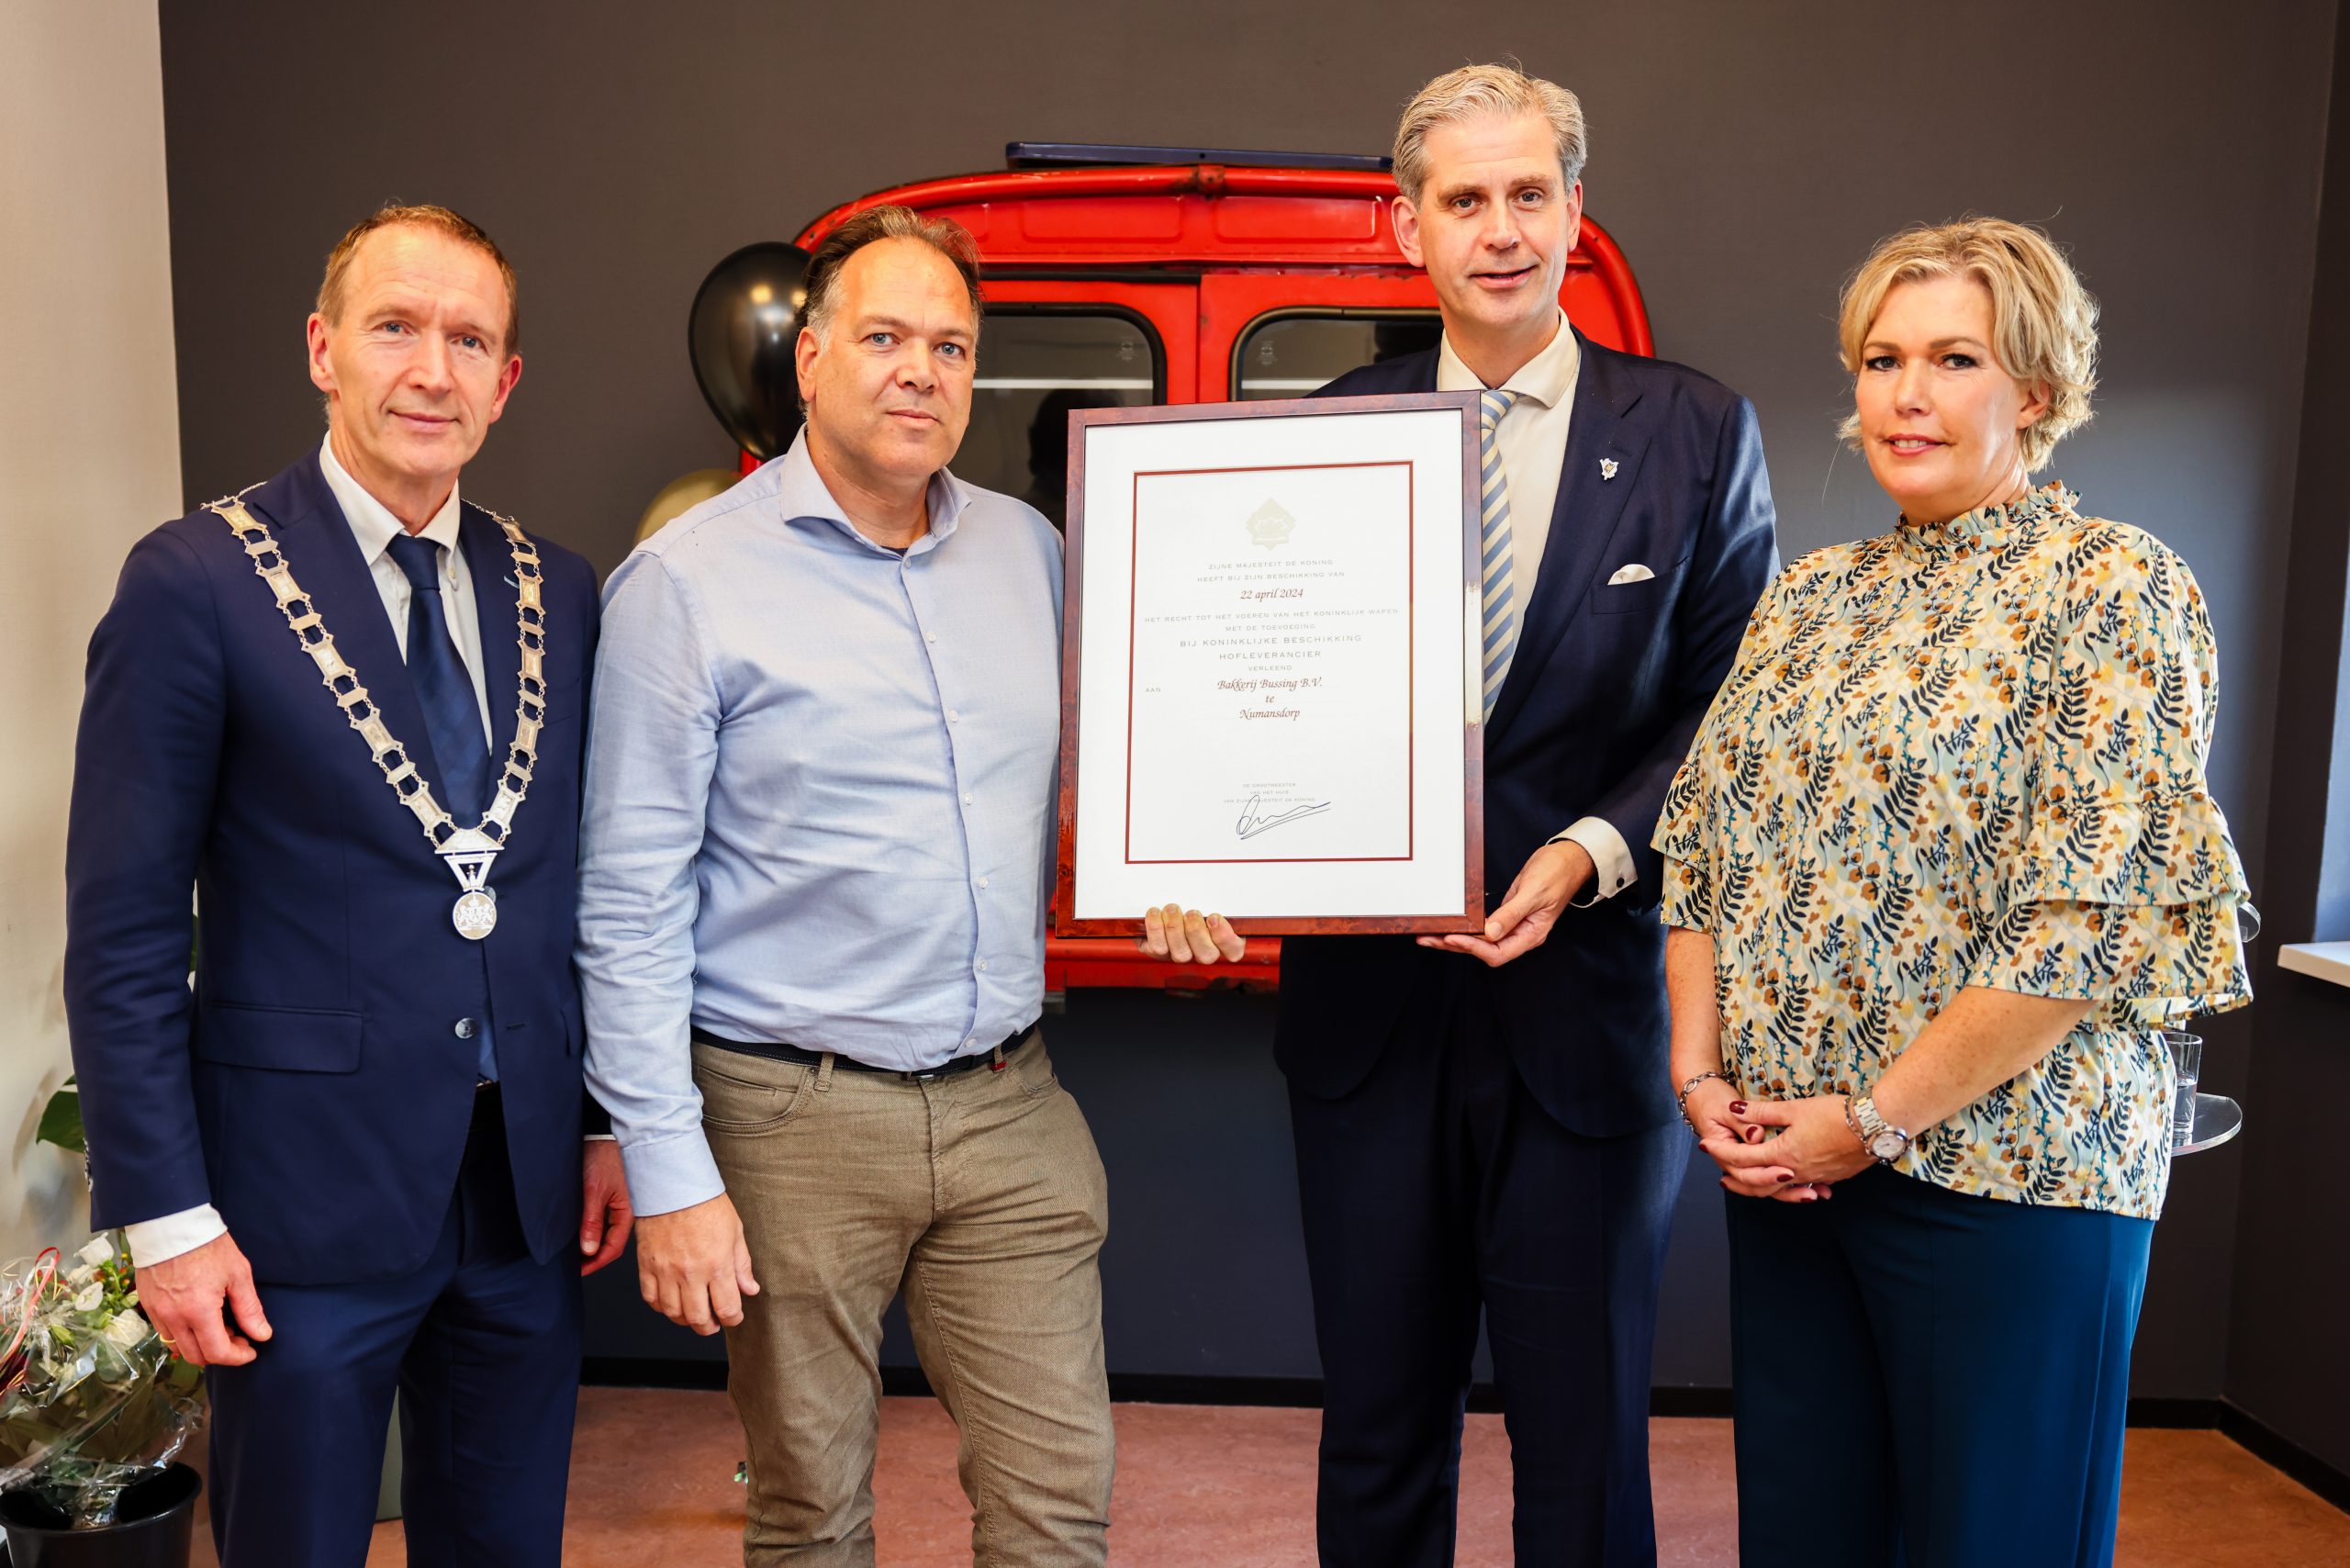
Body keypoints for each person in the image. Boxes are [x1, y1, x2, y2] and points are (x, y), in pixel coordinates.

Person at [576, 204, 1240, 1568]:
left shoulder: (1032, 551)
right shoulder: (685, 587)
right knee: (811, 1514)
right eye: (883, 337)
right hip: (786, 1120)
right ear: (809, 359)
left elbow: (1090, 794)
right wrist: (666, 1167)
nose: (920, 371)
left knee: (1060, 1505)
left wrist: (1173, 870)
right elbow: (628, 903)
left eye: (951, 345)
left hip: (1012, 1109)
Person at [1226, 62, 1781, 1568]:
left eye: (1529, 193)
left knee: (1587, 1441)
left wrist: (1590, 849)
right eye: (1463, 199)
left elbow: (1735, 717)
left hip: (1582, 1026)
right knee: (1379, 1431)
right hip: (1367, 1023)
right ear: (1406, 227)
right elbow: (1257, 689)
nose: (1500, 228)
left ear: (1576, 211)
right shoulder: (1326, 423)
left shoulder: (1694, 431)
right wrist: (1203, 834)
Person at [1656, 217, 2253, 1567]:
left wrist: (1871, 1120)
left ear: (2035, 394)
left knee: (1997, 1543)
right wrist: (1704, 1083)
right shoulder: (1806, 598)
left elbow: (2084, 917)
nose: (1906, 394)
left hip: (2010, 1179)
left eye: (1954, 358)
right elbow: (1700, 851)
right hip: (1791, 1171)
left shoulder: (2114, 587)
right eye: (1881, 359)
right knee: (1808, 1539)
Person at [62, 204, 629, 1564]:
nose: (431, 369)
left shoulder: (561, 586)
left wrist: (604, 1123)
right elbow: (127, 928)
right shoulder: (193, 581)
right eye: (395, 327)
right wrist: (169, 1217)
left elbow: (581, 890)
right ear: (323, 350)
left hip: (522, 1198)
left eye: (469, 338)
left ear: (507, 381)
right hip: (291, 1209)